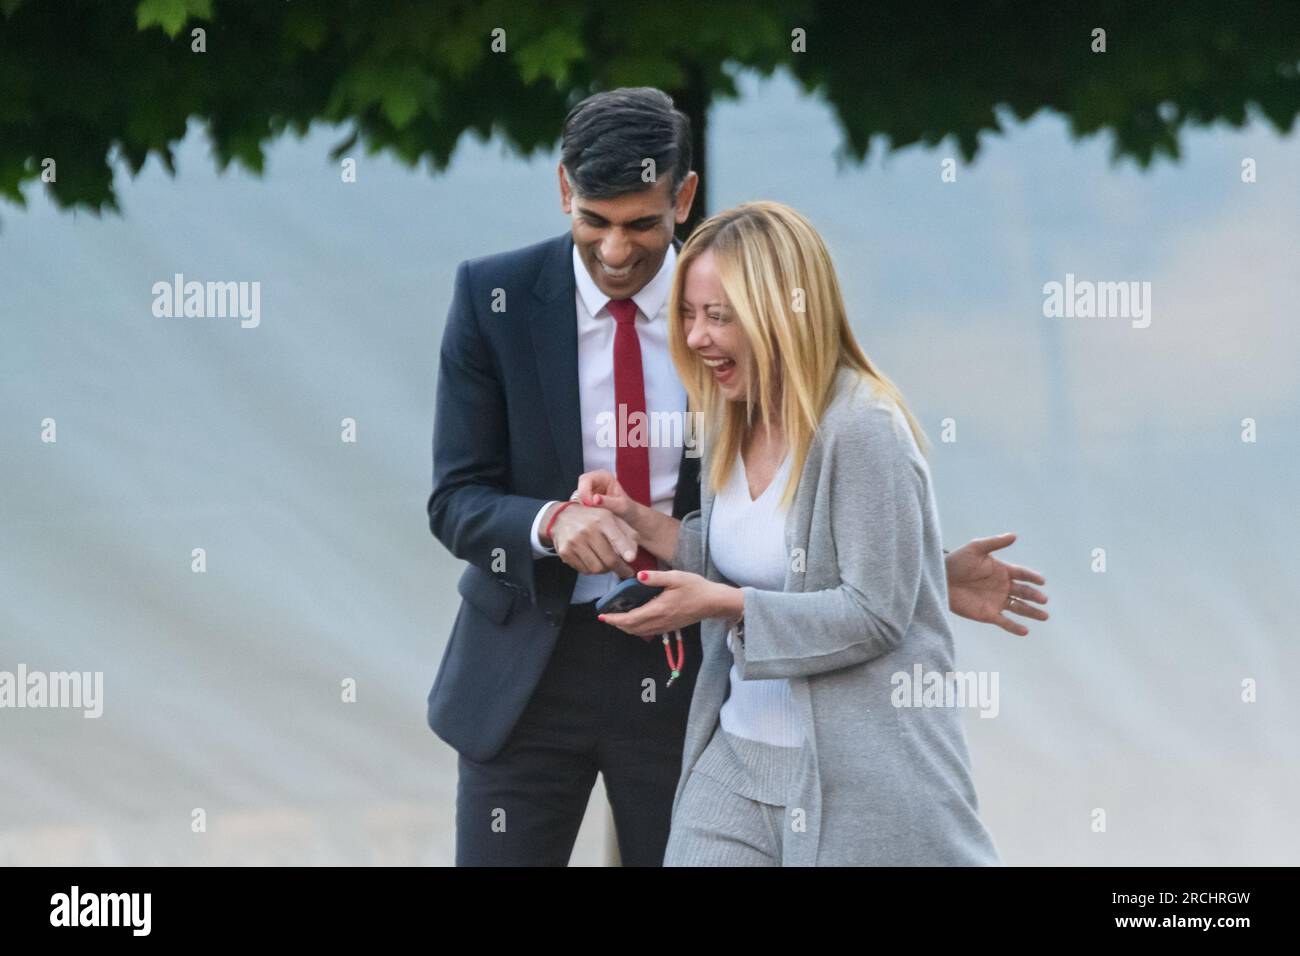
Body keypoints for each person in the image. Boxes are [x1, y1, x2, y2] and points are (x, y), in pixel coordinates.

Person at [427, 89, 1047, 867]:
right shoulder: (496, 301)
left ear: (682, 197)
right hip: (526, 674)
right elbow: (456, 500)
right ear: (563, 191)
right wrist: (554, 522)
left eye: (642, 225)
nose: (617, 253)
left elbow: (814, 490)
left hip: (695, 670)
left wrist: (912, 574)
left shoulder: (737, 316)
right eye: (595, 223)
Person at [583, 201, 1021, 865]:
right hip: (735, 761)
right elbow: (755, 562)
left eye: (719, 316)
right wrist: (640, 521)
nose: (696, 337)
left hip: (855, 780)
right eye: (689, 314)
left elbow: (875, 613)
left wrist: (724, 608)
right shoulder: (736, 416)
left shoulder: (863, 429)